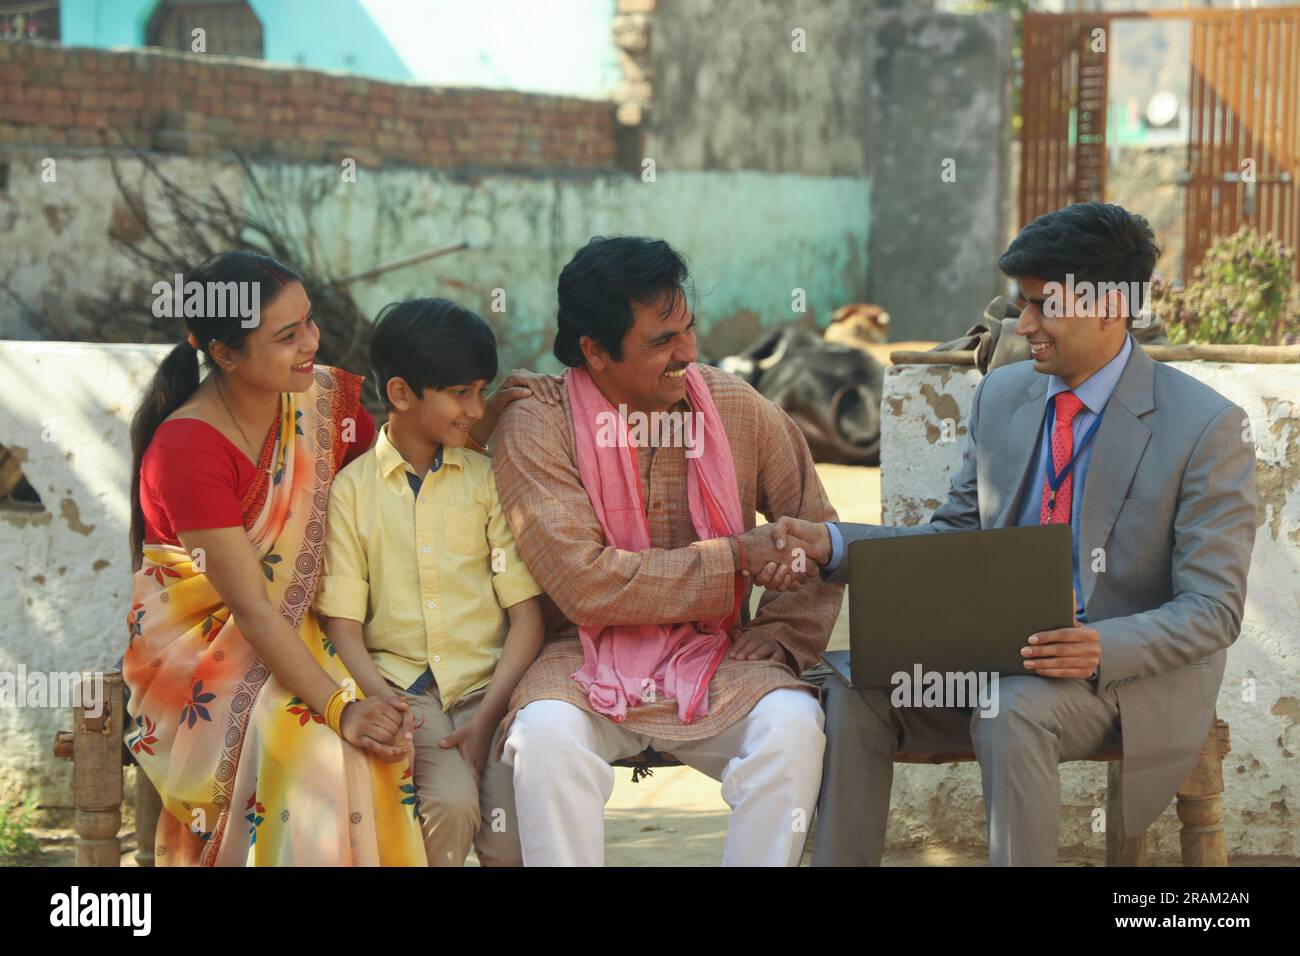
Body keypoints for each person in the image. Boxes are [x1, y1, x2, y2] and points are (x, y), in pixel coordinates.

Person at [777, 202, 1258, 866]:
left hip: (1119, 679)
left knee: (1013, 707)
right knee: (852, 691)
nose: (1023, 325)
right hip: (987, 657)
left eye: (1041, 306)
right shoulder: (1003, 397)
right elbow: (953, 539)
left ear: (1108, 307)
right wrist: (830, 544)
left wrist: (1094, 647)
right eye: (1020, 304)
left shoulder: (1206, 428)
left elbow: (1214, 610)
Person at [123, 250, 548, 865]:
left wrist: (496, 415)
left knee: (391, 749)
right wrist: (341, 710)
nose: (310, 345)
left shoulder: (323, 404)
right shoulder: (187, 449)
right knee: (320, 756)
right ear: (224, 355)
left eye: (310, 323)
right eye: (287, 335)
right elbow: (251, 608)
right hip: (214, 649)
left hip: (317, 631)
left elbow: (405, 469)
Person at [490, 235, 843, 866]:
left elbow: (820, 533)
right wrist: (736, 555)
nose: (689, 353)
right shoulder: (538, 423)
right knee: (545, 739)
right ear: (594, 351)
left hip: (717, 656)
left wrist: (788, 631)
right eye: (662, 342)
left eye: (689, 329)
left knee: (791, 728)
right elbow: (586, 586)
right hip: (578, 657)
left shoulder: (733, 405)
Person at [314, 298, 547, 867]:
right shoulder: (352, 492)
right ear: (401, 394)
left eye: (481, 391)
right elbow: (342, 625)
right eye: (461, 393)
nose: (477, 409)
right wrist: (384, 699)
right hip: (406, 695)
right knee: (449, 804)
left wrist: (488, 716)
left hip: (489, 689)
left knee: (513, 833)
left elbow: (526, 618)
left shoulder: (487, 481)